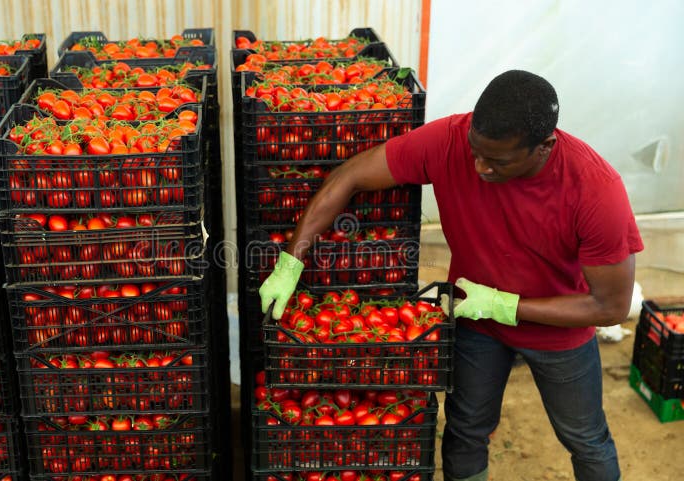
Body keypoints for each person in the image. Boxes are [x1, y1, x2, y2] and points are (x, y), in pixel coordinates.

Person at [259, 70, 642, 481]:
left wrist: (506, 305)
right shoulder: (450, 140)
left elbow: (611, 306)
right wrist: (289, 263)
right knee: (466, 429)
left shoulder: (595, 190)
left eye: (498, 160)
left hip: (558, 334)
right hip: (477, 323)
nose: (479, 167)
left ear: (544, 146)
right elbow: (349, 176)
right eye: (476, 151)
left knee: (584, 437)